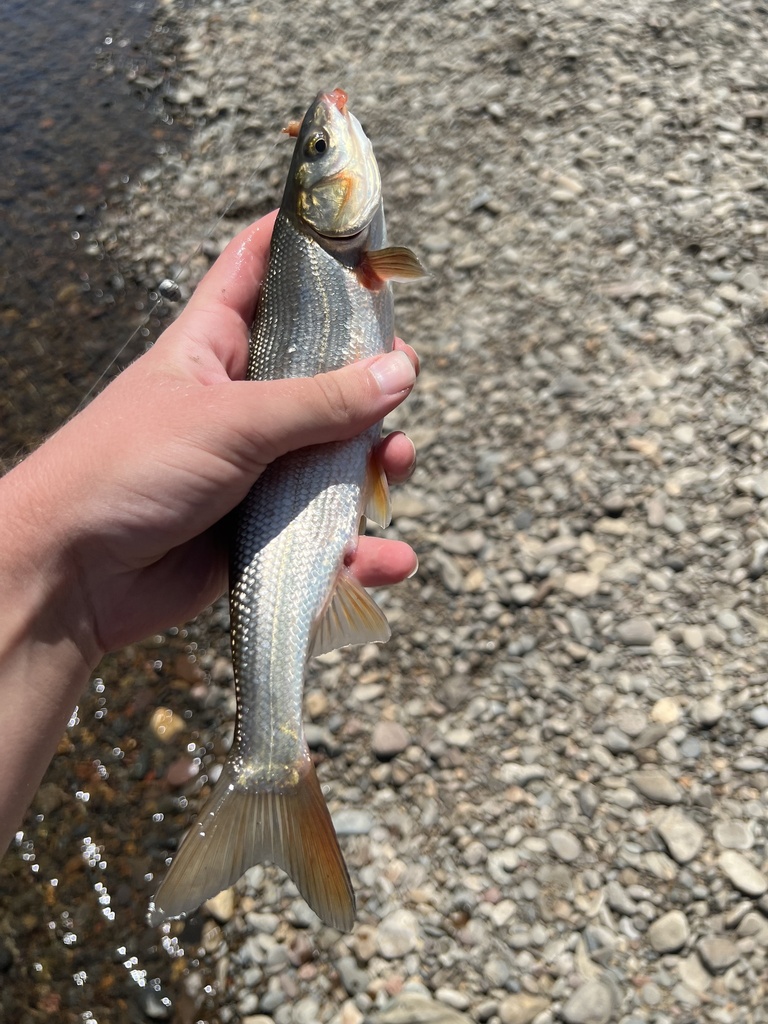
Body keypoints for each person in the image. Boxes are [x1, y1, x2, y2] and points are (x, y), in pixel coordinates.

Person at [0, 210, 419, 853]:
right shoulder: (357, 257)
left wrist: (63, 565)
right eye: (319, 153)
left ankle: (267, 765)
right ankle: (268, 760)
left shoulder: (343, 254)